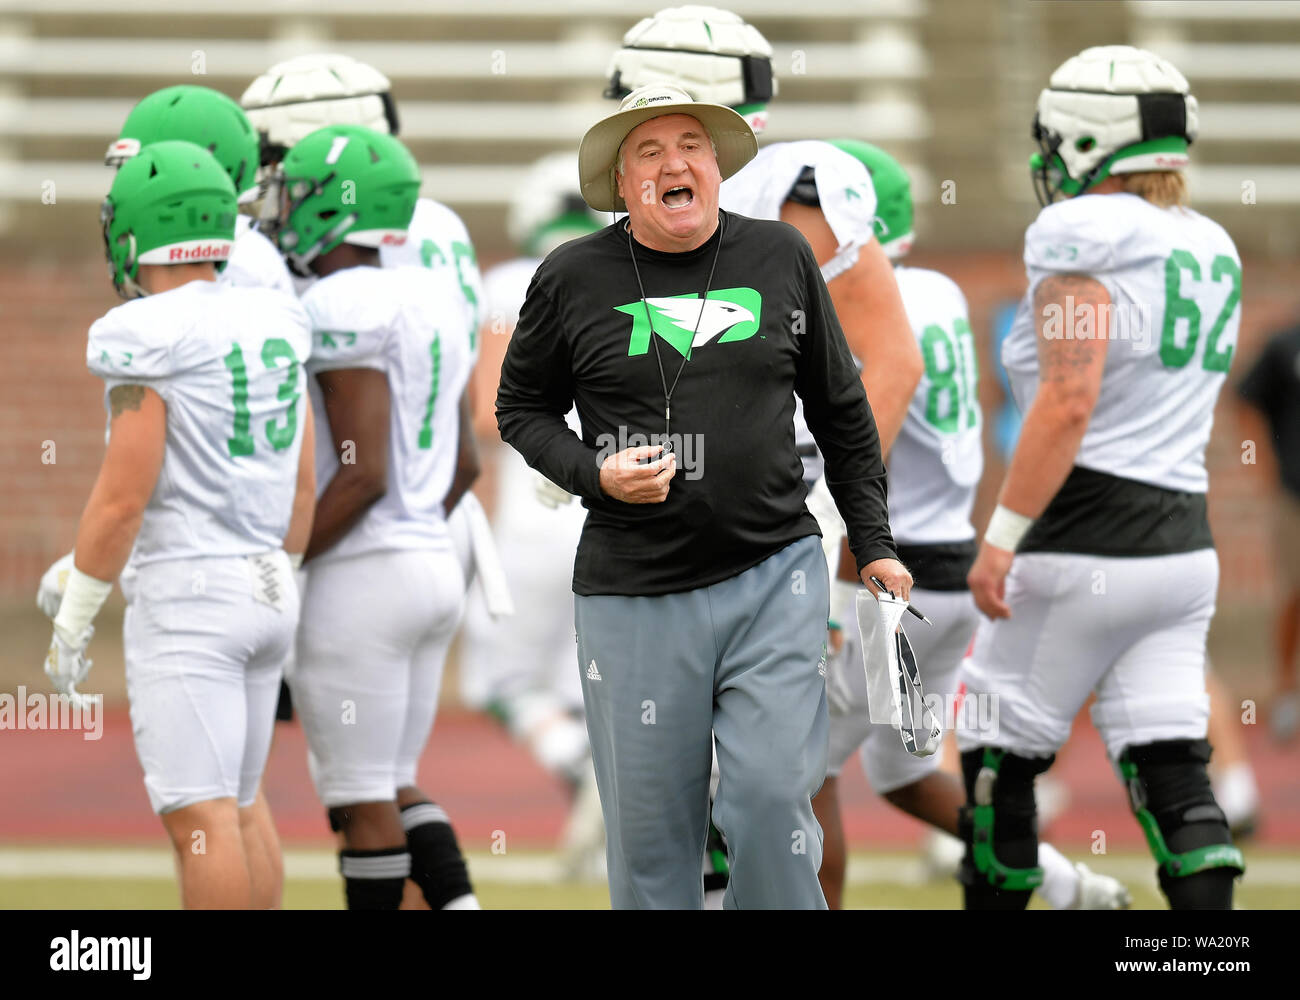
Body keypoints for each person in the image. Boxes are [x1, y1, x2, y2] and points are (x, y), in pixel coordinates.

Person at [497, 84, 910, 909]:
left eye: (692, 144)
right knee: (654, 848)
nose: (674, 162)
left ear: (717, 167)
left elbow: (842, 411)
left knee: (768, 806)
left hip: (774, 574)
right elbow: (520, 410)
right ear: (621, 185)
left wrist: (876, 542)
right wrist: (594, 473)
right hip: (632, 592)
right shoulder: (570, 275)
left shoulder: (781, 256)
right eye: (647, 152)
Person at [604, 4, 922, 906]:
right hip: (670, 525)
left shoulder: (797, 186)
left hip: (780, 532)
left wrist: (826, 522)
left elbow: (888, 364)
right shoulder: (651, 207)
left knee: (774, 785)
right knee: (679, 784)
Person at [958, 45, 1246, 910]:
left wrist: (1001, 535)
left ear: (1090, 137)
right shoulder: (1209, 239)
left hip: (1085, 536)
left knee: (991, 774)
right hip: (1182, 551)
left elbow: (1068, 398)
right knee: (1175, 776)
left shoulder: (1084, 230)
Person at [815, 140, 1128, 910]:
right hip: (945, 578)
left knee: (792, 775)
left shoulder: (868, 302)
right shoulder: (941, 292)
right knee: (908, 771)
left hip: (880, 588)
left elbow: (852, 445)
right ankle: (1067, 885)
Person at [39, 140, 313, 908]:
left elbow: (125, 495)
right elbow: (303, 485)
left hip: (192, 595)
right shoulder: (273, 318)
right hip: (268, 581)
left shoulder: (147, 329)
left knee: (200, 818)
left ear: (134, 231)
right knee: (241, 804)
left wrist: (78, 610)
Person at [240, 53, 481, 907]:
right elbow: (464, 457)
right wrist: (416, 525)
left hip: (362, 558)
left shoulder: (341, 299)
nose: (276, 189)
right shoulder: (433, 282)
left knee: (361, 801)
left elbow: (360, 469)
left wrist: (281, 557)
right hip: (435, 546)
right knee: (391, 780)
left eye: (292, 177)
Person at [458, 152, 608, 878]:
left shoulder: (509, 284)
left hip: (532, 518)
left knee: (499, 683)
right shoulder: (625, 275)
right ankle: (612, 794)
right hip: (613, 511)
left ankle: (584, 773)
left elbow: (492, 412)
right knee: (591, 685)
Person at [1236, 320, 1300, 742]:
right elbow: (1244, 399)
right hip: (1294, 494)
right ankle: (1285, 695)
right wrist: (1257, 463)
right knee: (1293, 594)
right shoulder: (1284, 343)